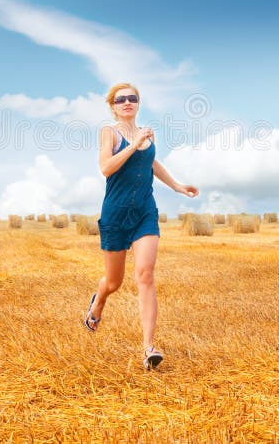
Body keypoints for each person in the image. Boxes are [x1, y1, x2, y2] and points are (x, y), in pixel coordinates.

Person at [83, 82, 199, 370]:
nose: (127, 102)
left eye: (132, 98)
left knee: (145, 275)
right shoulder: (108, 133)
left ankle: (149, 348)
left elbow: (151, 162)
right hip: (115, 214)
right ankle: (98, 302)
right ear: (113, 106)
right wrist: (133, 145)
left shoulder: (147, 134)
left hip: (145, 212)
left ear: (138, 103)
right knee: (114, 282)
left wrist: (177, 186)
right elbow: (106, 168)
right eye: (120, 99)